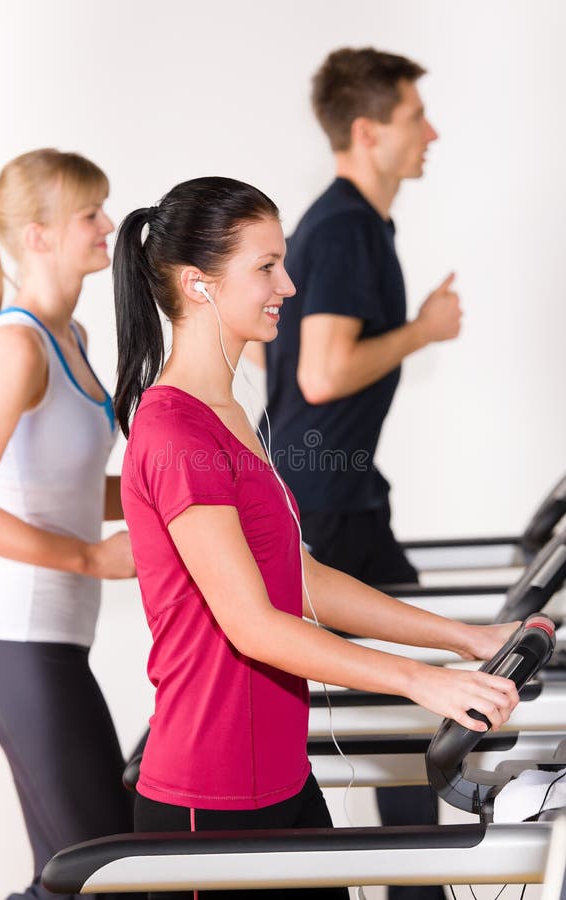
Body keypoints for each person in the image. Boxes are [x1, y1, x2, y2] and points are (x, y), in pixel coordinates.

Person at [113, 175, 519, 900]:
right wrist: (418, 681)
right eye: (267, 267)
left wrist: (465, 639)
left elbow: (303, 580)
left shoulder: (230, 414)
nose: (290, 286)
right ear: (199, 284)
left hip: (282, 777)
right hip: (212, 799)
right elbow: (252, 625)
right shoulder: (175, 429)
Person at [252, 47, 462, 900]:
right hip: (323, 505)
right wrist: (424, 330)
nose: (432, 133)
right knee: (407, 705)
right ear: (369, 132)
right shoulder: (342, 228)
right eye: (416, 117)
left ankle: (417, 884)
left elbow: (297, 367)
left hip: (344, 497)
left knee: (420, 709)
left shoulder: (358, 225)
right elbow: (321, 372)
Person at [0, 148, 139, 900]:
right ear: (37, 236)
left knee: (76, 881)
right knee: (107, 873)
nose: (109, 224)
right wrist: (92, 560)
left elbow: (67, 488)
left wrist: (183, 501)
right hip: (16, 644)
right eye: (89, 214)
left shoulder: (74, 338)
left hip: (53, 643)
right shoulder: (17, 345)